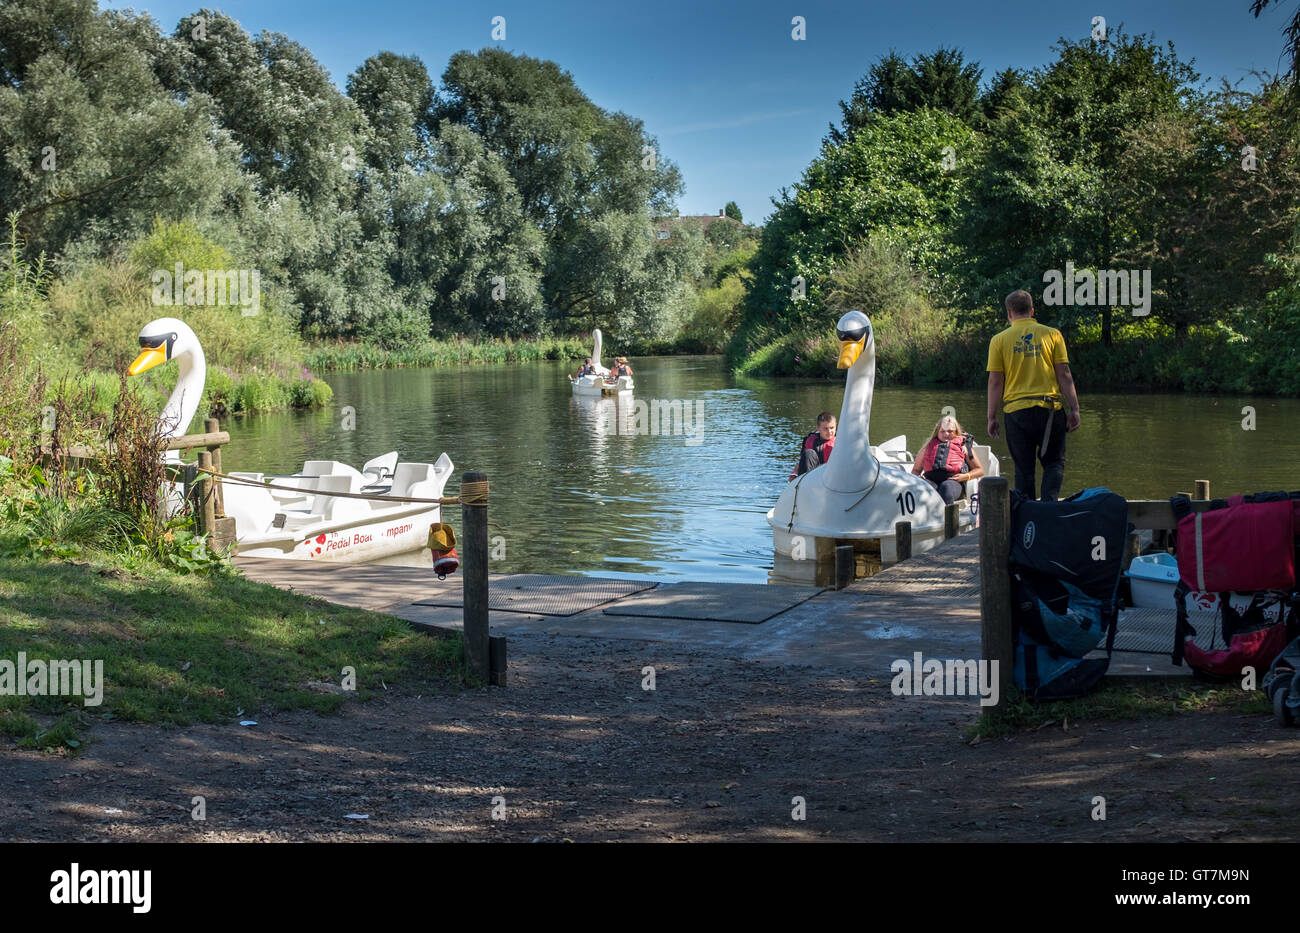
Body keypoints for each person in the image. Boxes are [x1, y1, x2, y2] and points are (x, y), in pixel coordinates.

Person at [986, 289, 1081, 501]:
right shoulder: (1052, 335)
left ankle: (1028, 518)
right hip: (1050, 411)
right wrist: (1074, 408)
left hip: (1016, 413)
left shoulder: (999, 340)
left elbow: (995, 382)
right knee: (1054, 463)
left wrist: (991, 417)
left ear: (1009, 313)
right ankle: (1049, 510)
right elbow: (1064, 374)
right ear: (1032, 310)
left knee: (1023, 470)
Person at [911, 415, 984, 504]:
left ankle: (948, 517)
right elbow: (916, 470)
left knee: (946, 489)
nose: (946, 434)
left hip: (953, 482)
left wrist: (965, 476)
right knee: (923, 489)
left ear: (956, 432)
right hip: (930, 480)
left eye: (950, 431)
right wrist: (917, 477)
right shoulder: (927, 447)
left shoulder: (964, 447)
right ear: (937, 432)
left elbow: (979, 470)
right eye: (942, 431)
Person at [788, 412, 836, 481]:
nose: (829, 431)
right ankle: (803, 482)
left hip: (833, 475)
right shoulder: (811, 440)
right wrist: (795, 472)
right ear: (818, 428)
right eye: (825, 428)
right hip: (813, 477)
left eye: (832, 428)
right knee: (808, 453)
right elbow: (802, 460)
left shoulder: (840, 442)